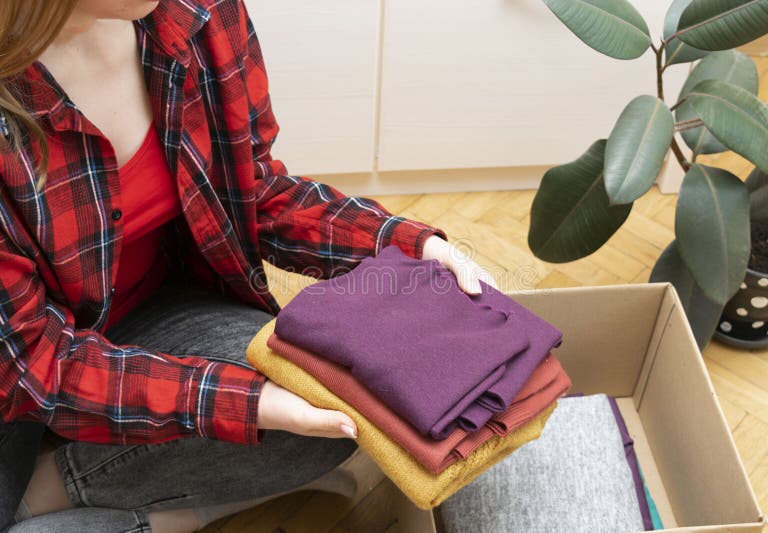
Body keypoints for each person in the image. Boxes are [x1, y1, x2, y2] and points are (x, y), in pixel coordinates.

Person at [0, 0, 493, 531]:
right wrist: (246, 405)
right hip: (20, 369)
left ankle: (62, 487)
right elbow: (33, 366)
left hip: (146, 318)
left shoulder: (198, 15)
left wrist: (402, 244)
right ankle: (168, 509)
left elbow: (257, 192)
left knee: (333, 413)